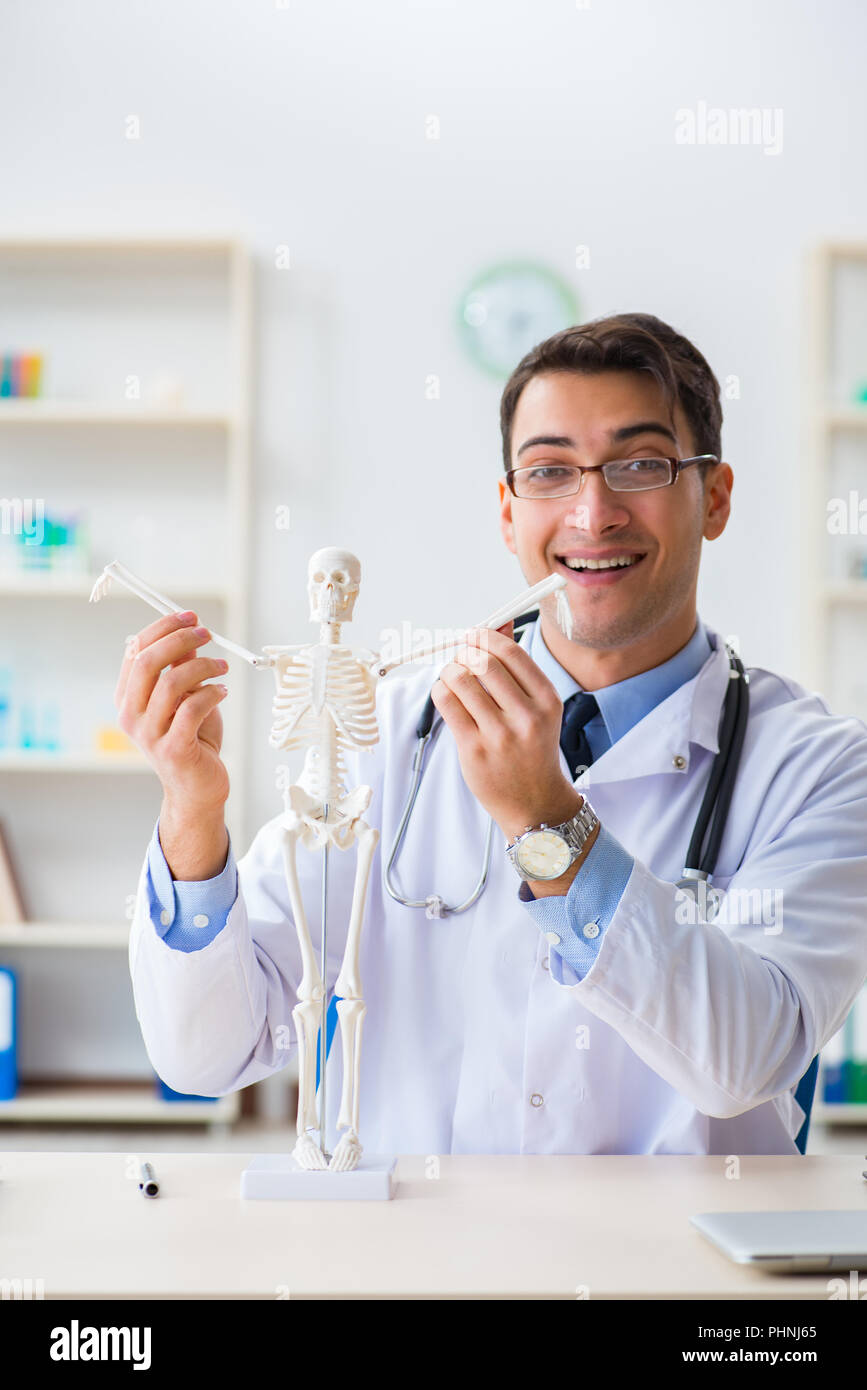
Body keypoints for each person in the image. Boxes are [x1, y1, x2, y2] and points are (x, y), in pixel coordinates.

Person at [120, 312, 867, 1155]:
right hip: (417, 1270)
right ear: (508, 513)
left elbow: (747, 1060)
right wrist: (191, 812)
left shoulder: (821, 768)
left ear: (715, 497)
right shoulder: (393, 730)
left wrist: (548, 824)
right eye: (550, 472)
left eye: (639, 464)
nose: (592, 512)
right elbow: (204, 1053)